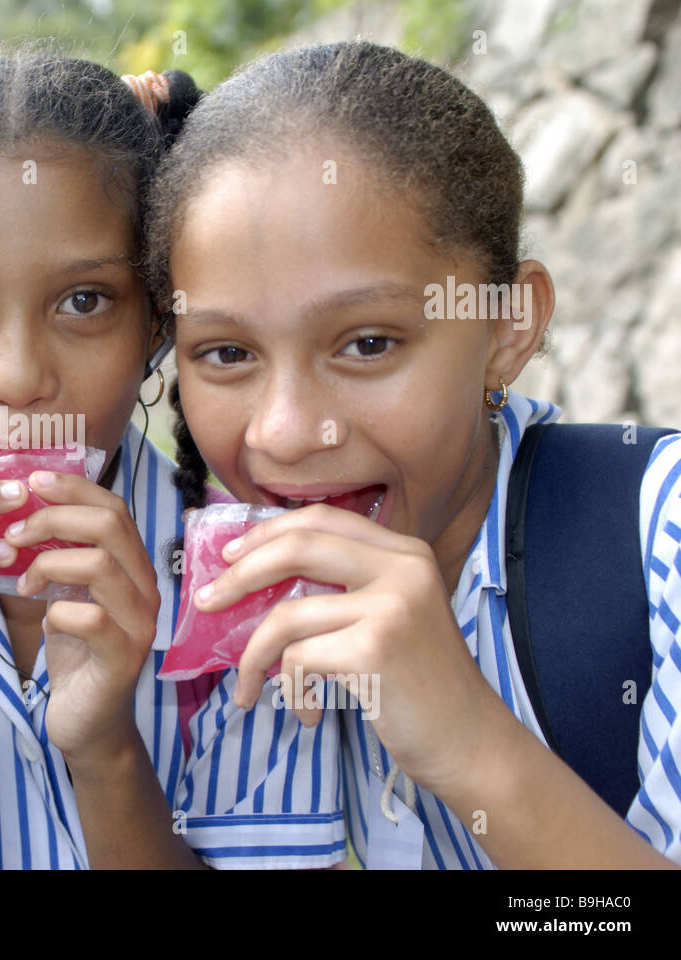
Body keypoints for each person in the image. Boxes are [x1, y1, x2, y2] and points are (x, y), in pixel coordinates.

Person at [0, 54, 349, 869]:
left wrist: (104, 749)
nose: (19, 377)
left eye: (83, 301)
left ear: (158, 321)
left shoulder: (262, 598)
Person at [146, 40, 681, 867]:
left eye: (366, 343)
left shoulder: (661, 536)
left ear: (508, 326)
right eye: (225, 353)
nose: (285, 432)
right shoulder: (236, 614)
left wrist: (471, 747)